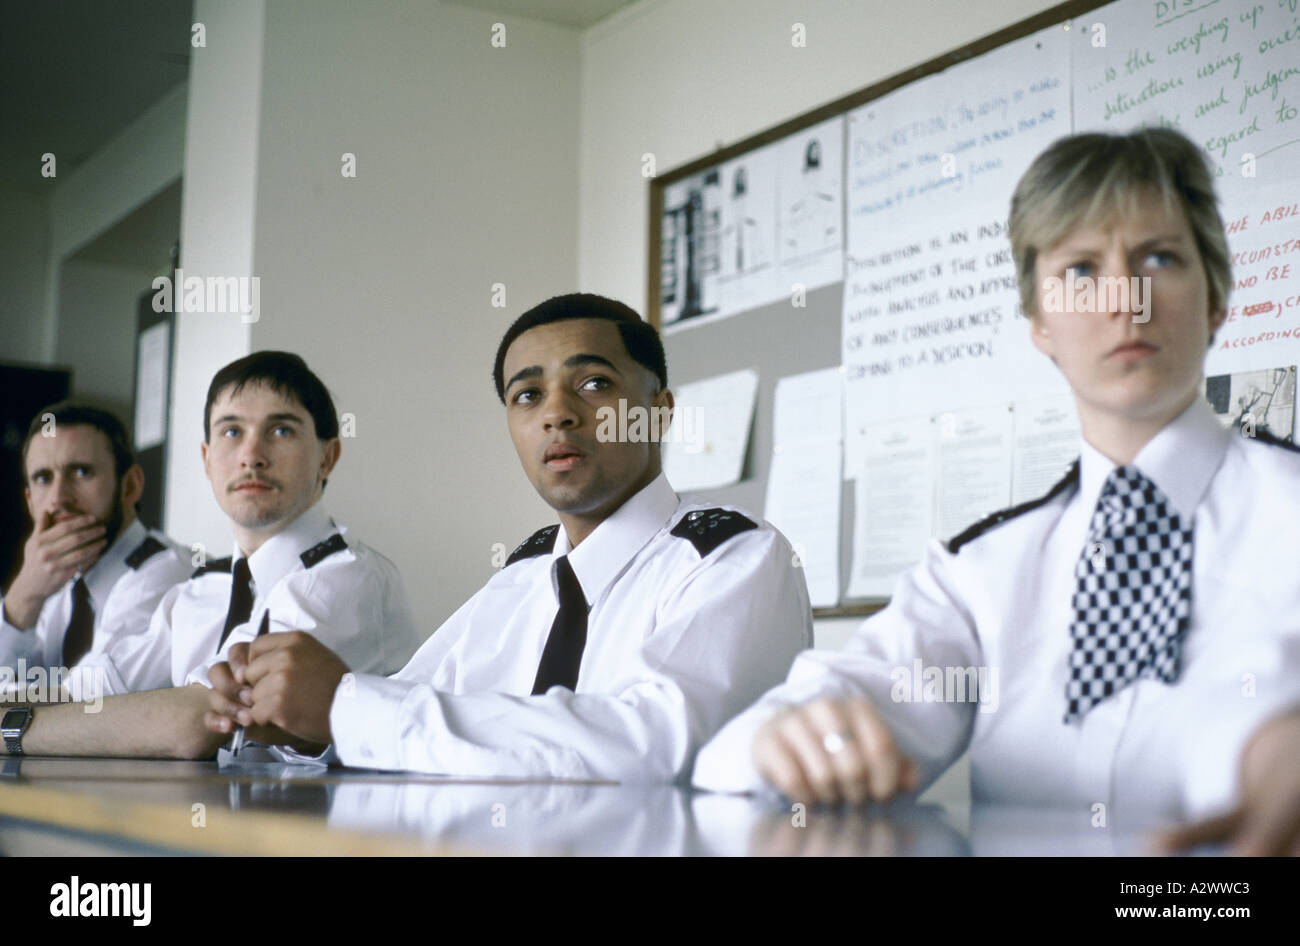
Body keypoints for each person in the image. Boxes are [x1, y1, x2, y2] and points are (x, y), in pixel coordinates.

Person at [692, 128, 1300, 855]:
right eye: (1080, 270)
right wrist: (794, 736)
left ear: (1216, 301)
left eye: (1160, 258)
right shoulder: (979, 574)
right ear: (1040, 324)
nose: (1126, 299)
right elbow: (790, 729)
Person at [203, 294, 813, 781]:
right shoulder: (522, 576)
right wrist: (296, 720)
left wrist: (346, 707)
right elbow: (412, 704)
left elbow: (654, 747)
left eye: (594, 384)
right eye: (527, 395)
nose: (558, 413)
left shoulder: (736, 557)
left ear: (659, 410)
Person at [0, 351, 420, 758]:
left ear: (328, 457)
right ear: (206, 459)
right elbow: (94, 688)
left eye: (281, 430)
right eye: (232, 432)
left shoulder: (345, 577)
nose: (251, 456)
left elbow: (200, 721)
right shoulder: (206, 586)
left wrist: (11, 730)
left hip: (324, 825)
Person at [0, 403, 190, 700]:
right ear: (29, 501)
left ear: (130, 486)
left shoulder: (166, 572)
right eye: (43, 478)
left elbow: (87, 703)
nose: (58, 498)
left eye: (80, 472)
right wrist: (23, 595)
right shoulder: (51, 585)